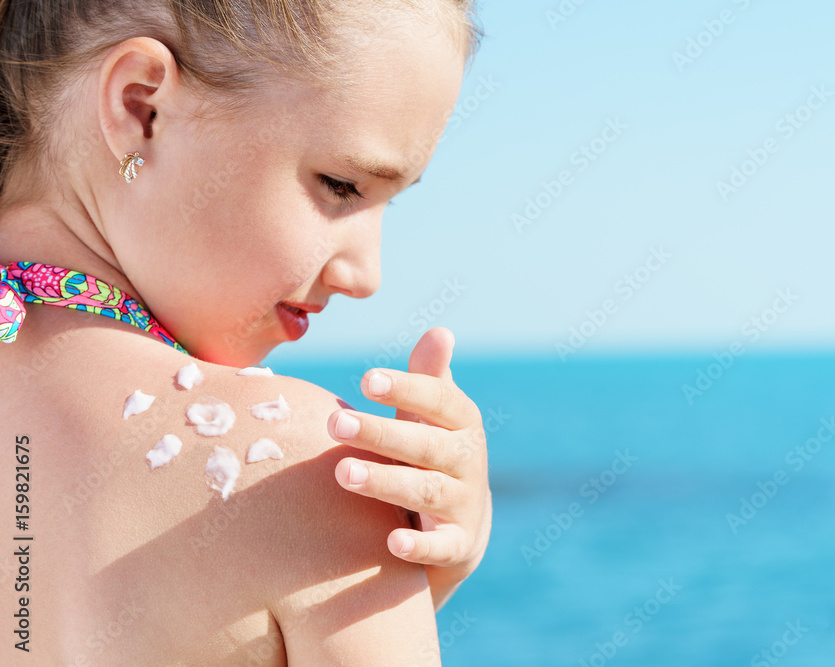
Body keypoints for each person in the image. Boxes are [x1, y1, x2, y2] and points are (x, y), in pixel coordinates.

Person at [0, 0, 491, 663]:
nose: (365, 273)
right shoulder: (297, 468)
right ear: (142, 109)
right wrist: (404, 574)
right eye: (341, 186)